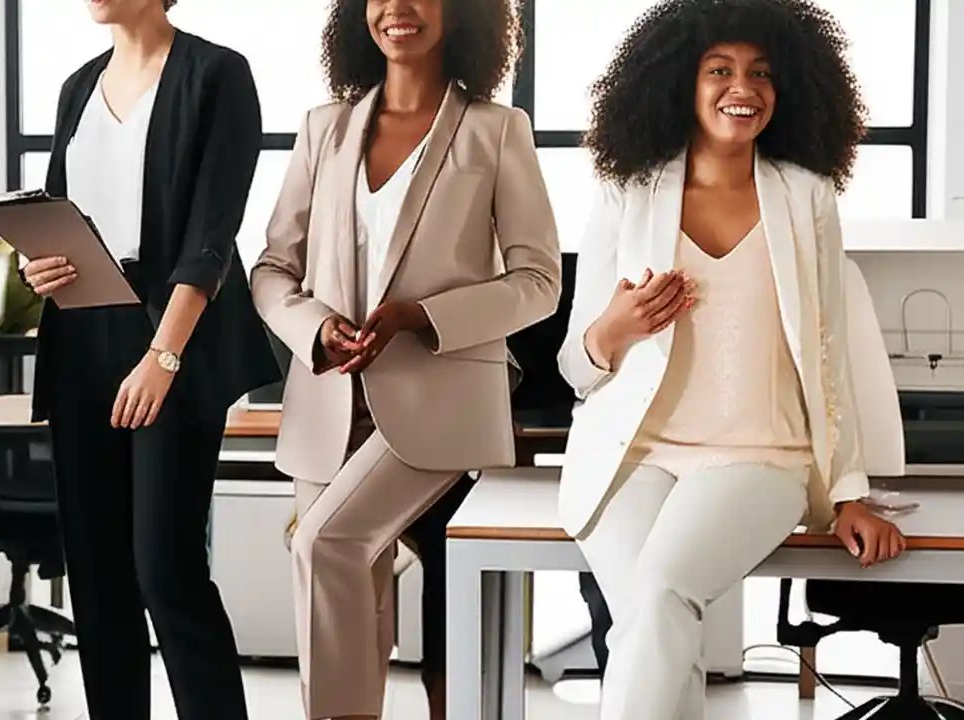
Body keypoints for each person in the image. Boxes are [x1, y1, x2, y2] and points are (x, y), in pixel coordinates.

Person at [557, 1, 908, 718]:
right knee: (656, 631)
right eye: (719, 69)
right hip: (632, 457)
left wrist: (846, 491)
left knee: (658, 596)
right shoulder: (629, 193)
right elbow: (576, 364)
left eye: (761, 73)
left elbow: (830, 353)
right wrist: (612, 331)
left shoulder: (806, 197)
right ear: (679, 81)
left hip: (758, 455)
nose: (740, 86)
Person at [251, 0, 562, 716]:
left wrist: (424, 317)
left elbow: (539, 281)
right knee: (342, 599)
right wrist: (315, 328)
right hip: (328, 406)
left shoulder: (495, 131)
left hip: (439, 405)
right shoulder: (322, 130)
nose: (398, 8)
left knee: (325, 544)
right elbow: (272, 269)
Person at [18, 1, 280, 718]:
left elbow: (212, 236)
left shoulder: (217, 74)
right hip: (80, 335)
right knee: (98, 579)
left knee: (165, 569)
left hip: (173, 336)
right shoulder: (78, 85)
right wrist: (34, 268)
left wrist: (163, 356)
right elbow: (56, 212)